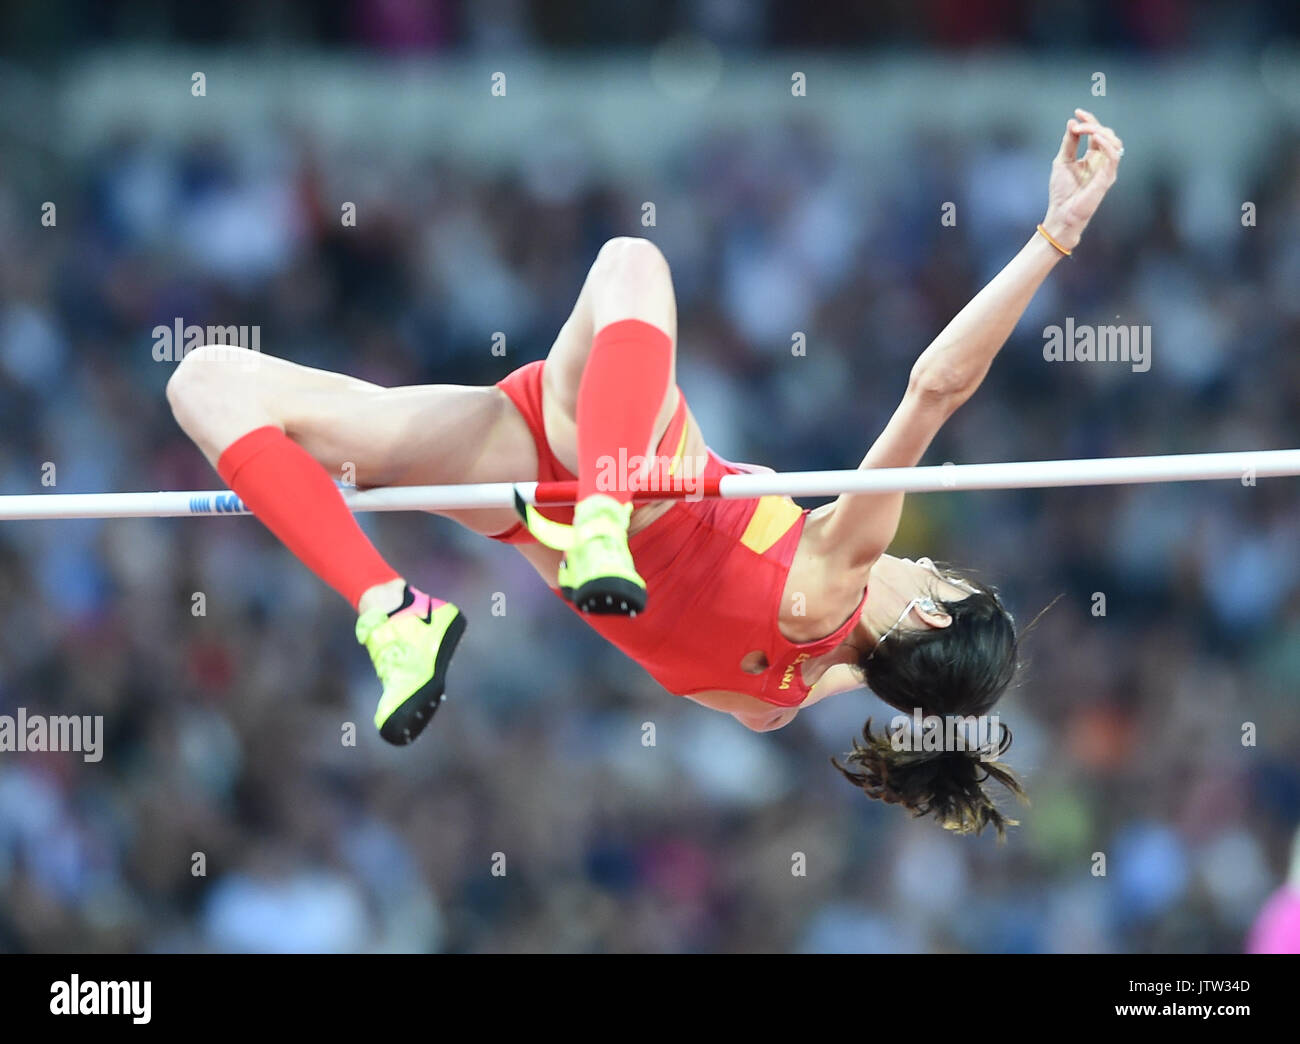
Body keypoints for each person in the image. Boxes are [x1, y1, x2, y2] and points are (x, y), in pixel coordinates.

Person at [166, 109, 1123, 837]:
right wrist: (952, 722)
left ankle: (595, 522)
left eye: (939, 579)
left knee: (631, 261)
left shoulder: (841, 571)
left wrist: (1054, 238)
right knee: (208, 381)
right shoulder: (778, 702)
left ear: (925, 613)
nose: (921, 565)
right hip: (520, 471)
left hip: (606, 469)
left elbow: (935, 387)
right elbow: (882, 688)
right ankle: (391, 611)